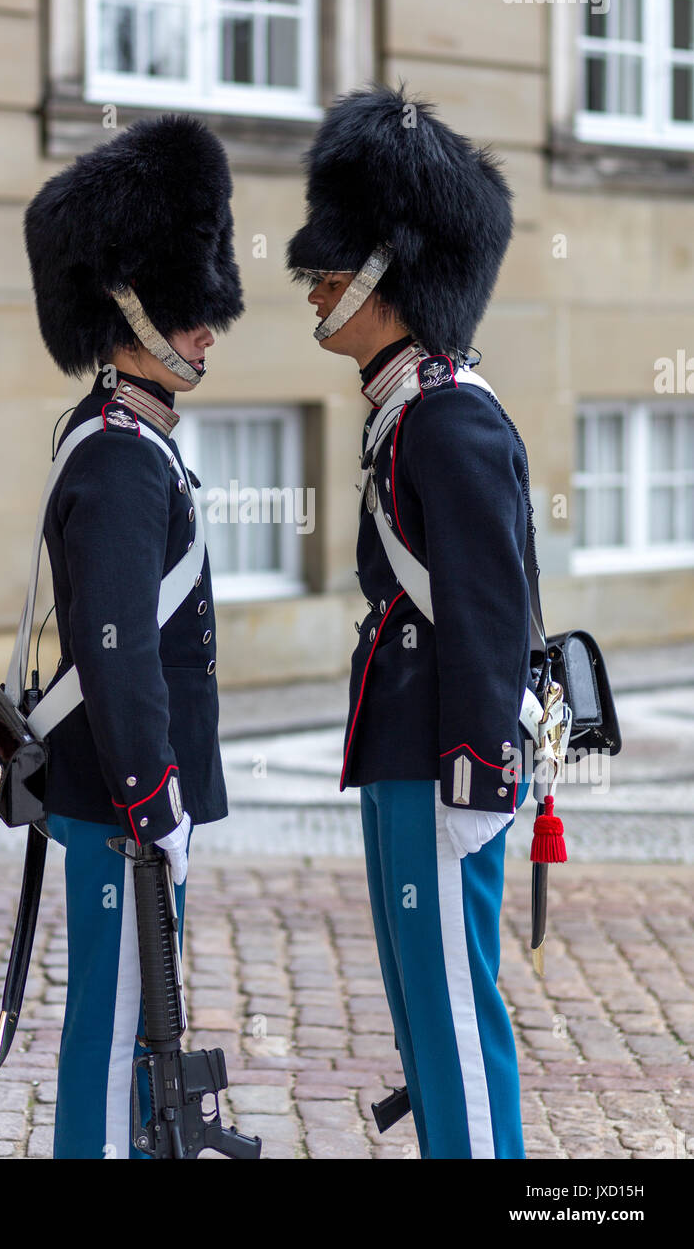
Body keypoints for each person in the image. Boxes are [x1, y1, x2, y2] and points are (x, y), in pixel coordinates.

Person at [287, 83, 536, 1159]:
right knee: (421, 1017)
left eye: (331, 276)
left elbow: (487, 609)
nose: (316, 294)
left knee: (450, 1026)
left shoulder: (445, 418)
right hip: (404, 752)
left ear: (390, 274)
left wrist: (475, 772)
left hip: (442, 763)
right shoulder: (408, 409)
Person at [23, 113, 243, 1158]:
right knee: (116, 1044)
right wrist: (155, 796)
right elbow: (117, 647)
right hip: (125, 800)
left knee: (121, 1036)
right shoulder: (118, 455)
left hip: (124, 795)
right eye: (190, 309)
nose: (207, 329)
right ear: (131, 304)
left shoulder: (129, 439)